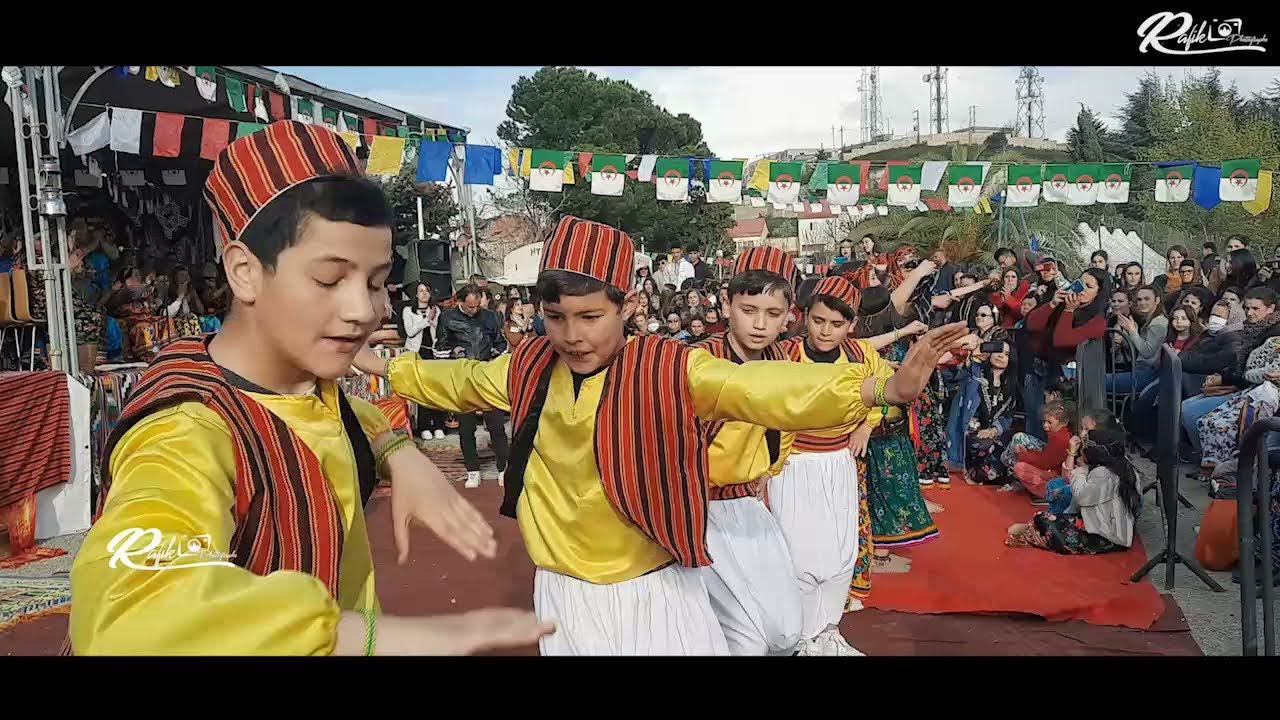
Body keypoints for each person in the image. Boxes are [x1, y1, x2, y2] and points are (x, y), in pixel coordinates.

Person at [354, 215, 969, 656]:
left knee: (778, 630)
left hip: (657, 580)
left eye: (591, 316)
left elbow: (762, 390)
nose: (572, 335)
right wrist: (385, 366)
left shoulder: (671, 366)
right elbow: (461, 379)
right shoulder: (528, 364)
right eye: (555, 317)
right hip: (567, 590)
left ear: (628, 309)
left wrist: (877, 391)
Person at [68, 121, 550, 656]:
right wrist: (389, 637)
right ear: (245, 272)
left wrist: (395, 448)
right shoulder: (185, 430)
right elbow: (131, 616)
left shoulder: (304, 382)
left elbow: (326, 414)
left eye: (375, 281)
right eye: (328, 280)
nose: (363, 310)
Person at [689, 246, 805, 656]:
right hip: (696, 509)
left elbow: (787, 423)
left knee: (787, 631)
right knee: (739, 637)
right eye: (748, 309)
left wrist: (768, 469)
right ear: (726, 305)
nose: (760, 325)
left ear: (790, 313)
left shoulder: (783, 361)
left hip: (748, 505)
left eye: (773, 314)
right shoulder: (697, 360)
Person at [1006, 428, 1139, 555]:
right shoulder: (1122, 468)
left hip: (1106, 537)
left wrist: (1081, 470)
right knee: (1050, 515)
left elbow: (1081, 496)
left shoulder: (1104, 474)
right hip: (1105, 528)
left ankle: (1034, 536)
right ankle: (1035, 529)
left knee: (1046, 520)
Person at [435, 284, 509, 489]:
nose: (474, 311)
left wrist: (495, 362)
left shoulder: (490, 317)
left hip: (486, 376)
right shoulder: (447, 318)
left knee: (496, 425)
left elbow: (501, 344)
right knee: (466, 428)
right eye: (469, 307)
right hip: (462, 376)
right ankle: (472, 470)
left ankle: (504, 468)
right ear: (459, 302)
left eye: (477, 306)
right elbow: (440, 348)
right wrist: (452, 358)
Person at [963, 342, 1019, 486]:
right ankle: (975, 473)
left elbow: (1009, 415)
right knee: (980, 443)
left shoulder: (1011, 385)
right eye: (998, 352)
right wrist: (979, 429)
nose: (1001, 356)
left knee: (1009, 444)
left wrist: (994, 430)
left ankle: (997, 476)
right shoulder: (976, 377)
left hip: (999, 433)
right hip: (975, 428)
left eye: (1006, 354)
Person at [1001, 403, 1072, 500]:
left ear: (1062, 423)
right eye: (1044, 422)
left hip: (1056, 475)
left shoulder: (1059, 439)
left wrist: (1023, 454)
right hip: (1054, 471)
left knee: (1019, 468)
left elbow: (1045, 463)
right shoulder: (1059, 434)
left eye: (1049, 422)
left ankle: (1048, 492)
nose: (1045, 425)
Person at [403, 282, 446, 440]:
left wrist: (432, 319)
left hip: (432, 353)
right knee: (421, 390)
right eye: (421, 291)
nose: (424, 294)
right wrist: (426, 320)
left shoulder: (436, 310)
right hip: (416, 353)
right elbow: (410, 331)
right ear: (416, 294)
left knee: (436, 389)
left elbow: (438, 331)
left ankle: (439, 425)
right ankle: (424, 426)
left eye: (426, 291)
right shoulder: (408, 311)